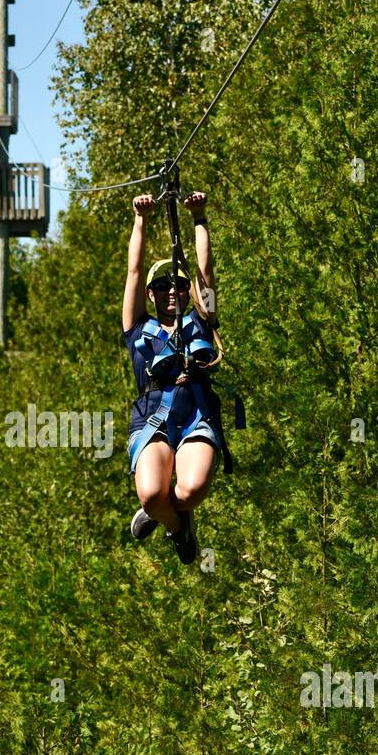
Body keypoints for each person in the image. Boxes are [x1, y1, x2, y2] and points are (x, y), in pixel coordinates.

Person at [122, 190, 223, 564]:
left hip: (195, 413)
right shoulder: (137, 328)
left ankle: (173, 513)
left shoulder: (201, 320)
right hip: (152, 417)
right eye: (162, 287)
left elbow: (205, 275)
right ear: (150, 294)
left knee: (192, 489)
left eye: (178, 285)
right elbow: (133, 271)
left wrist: (198, 219)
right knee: (151, 493)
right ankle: (178, 527)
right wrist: (140, 220)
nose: (171, 292)